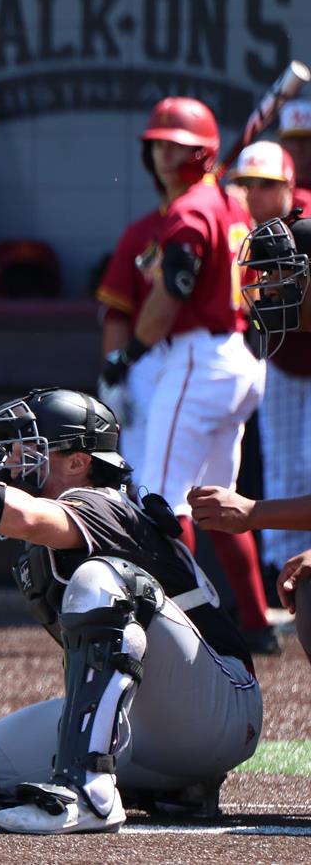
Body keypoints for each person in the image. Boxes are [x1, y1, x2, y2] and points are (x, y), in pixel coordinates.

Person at [0, 385, 260, 833]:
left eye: (30, 450)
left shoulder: (105, 504)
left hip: (220, 707)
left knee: (101, 580)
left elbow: (28, 517)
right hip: (157, 720)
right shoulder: (85, 507)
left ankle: (88, 793)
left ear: (79, 462)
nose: (15, 463)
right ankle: (171, 789)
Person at [94, 97, 274, 653]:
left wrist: (129, 357)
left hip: (197, 357)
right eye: (159, 145)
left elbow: (175, 288)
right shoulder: (227, 204)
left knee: (155, 501)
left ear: (200, 153)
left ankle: (191, 631)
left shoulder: (193, 209)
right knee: (215, 500)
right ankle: (256, 624)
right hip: (238, 360)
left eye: (177, 146)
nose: (164, 155)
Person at [223, 143, 311, 591]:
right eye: (246, 184)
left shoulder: (305, 220)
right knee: (283, 467)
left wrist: (253, 514)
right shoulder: (244, 226)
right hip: (282, 364)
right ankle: (284, 560)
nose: (254, 193)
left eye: (265, 184)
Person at [276, 101, 311, 213]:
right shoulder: (268, 188)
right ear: (281, 143)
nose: (298, 146)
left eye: (305, 139)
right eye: (292, 139)